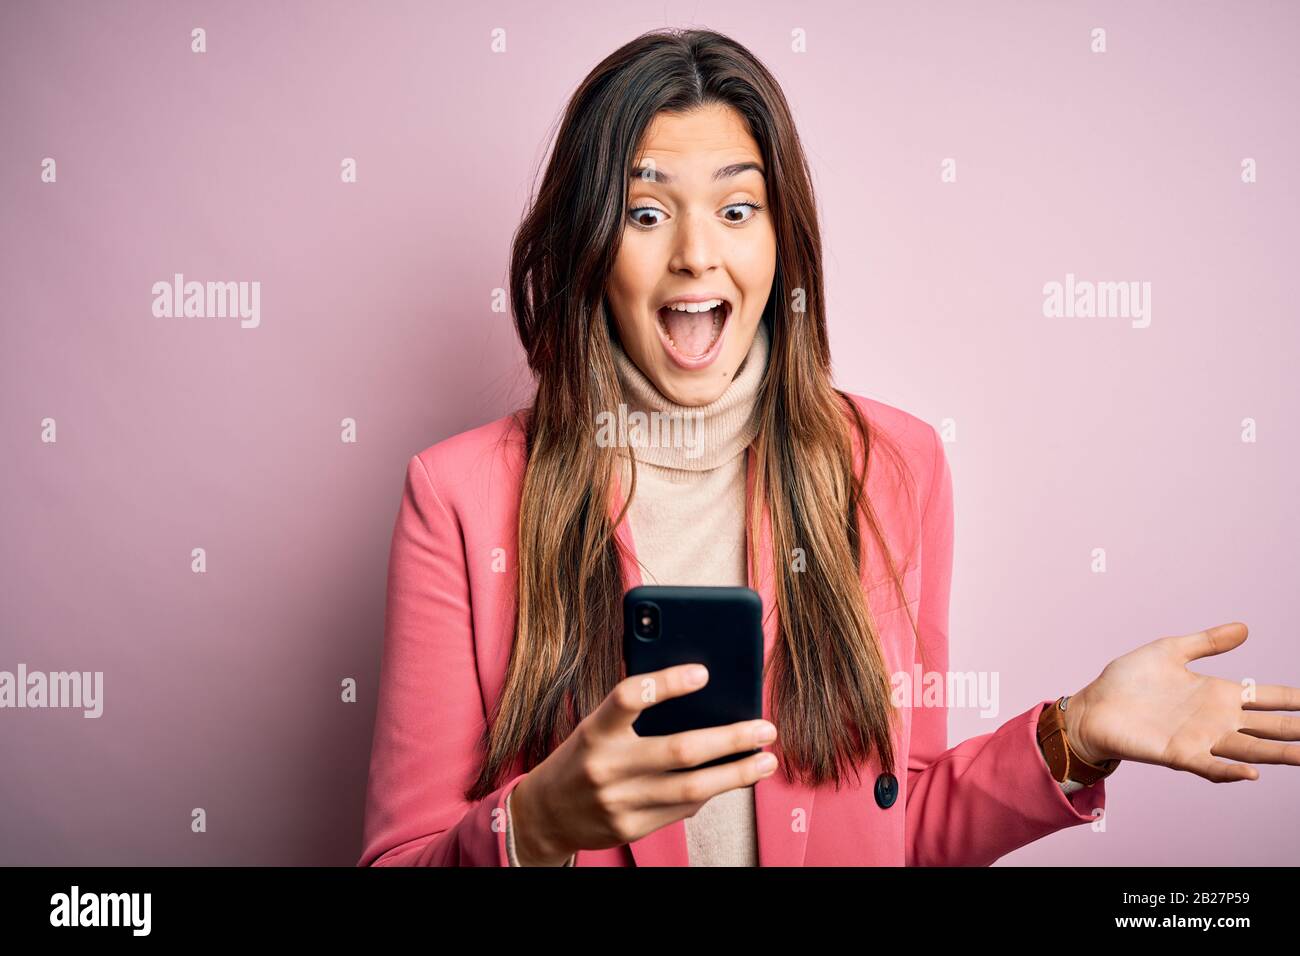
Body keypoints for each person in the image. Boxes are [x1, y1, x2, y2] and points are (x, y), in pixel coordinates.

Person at [357, 28, 1294, 868]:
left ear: (782, 238)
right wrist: (536, 828)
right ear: (588, 244)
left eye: (737, 208)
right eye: (647, 213)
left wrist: (1074, 735)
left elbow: (900, 830)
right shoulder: (460, 497)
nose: (695, 254)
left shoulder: (895, 465)